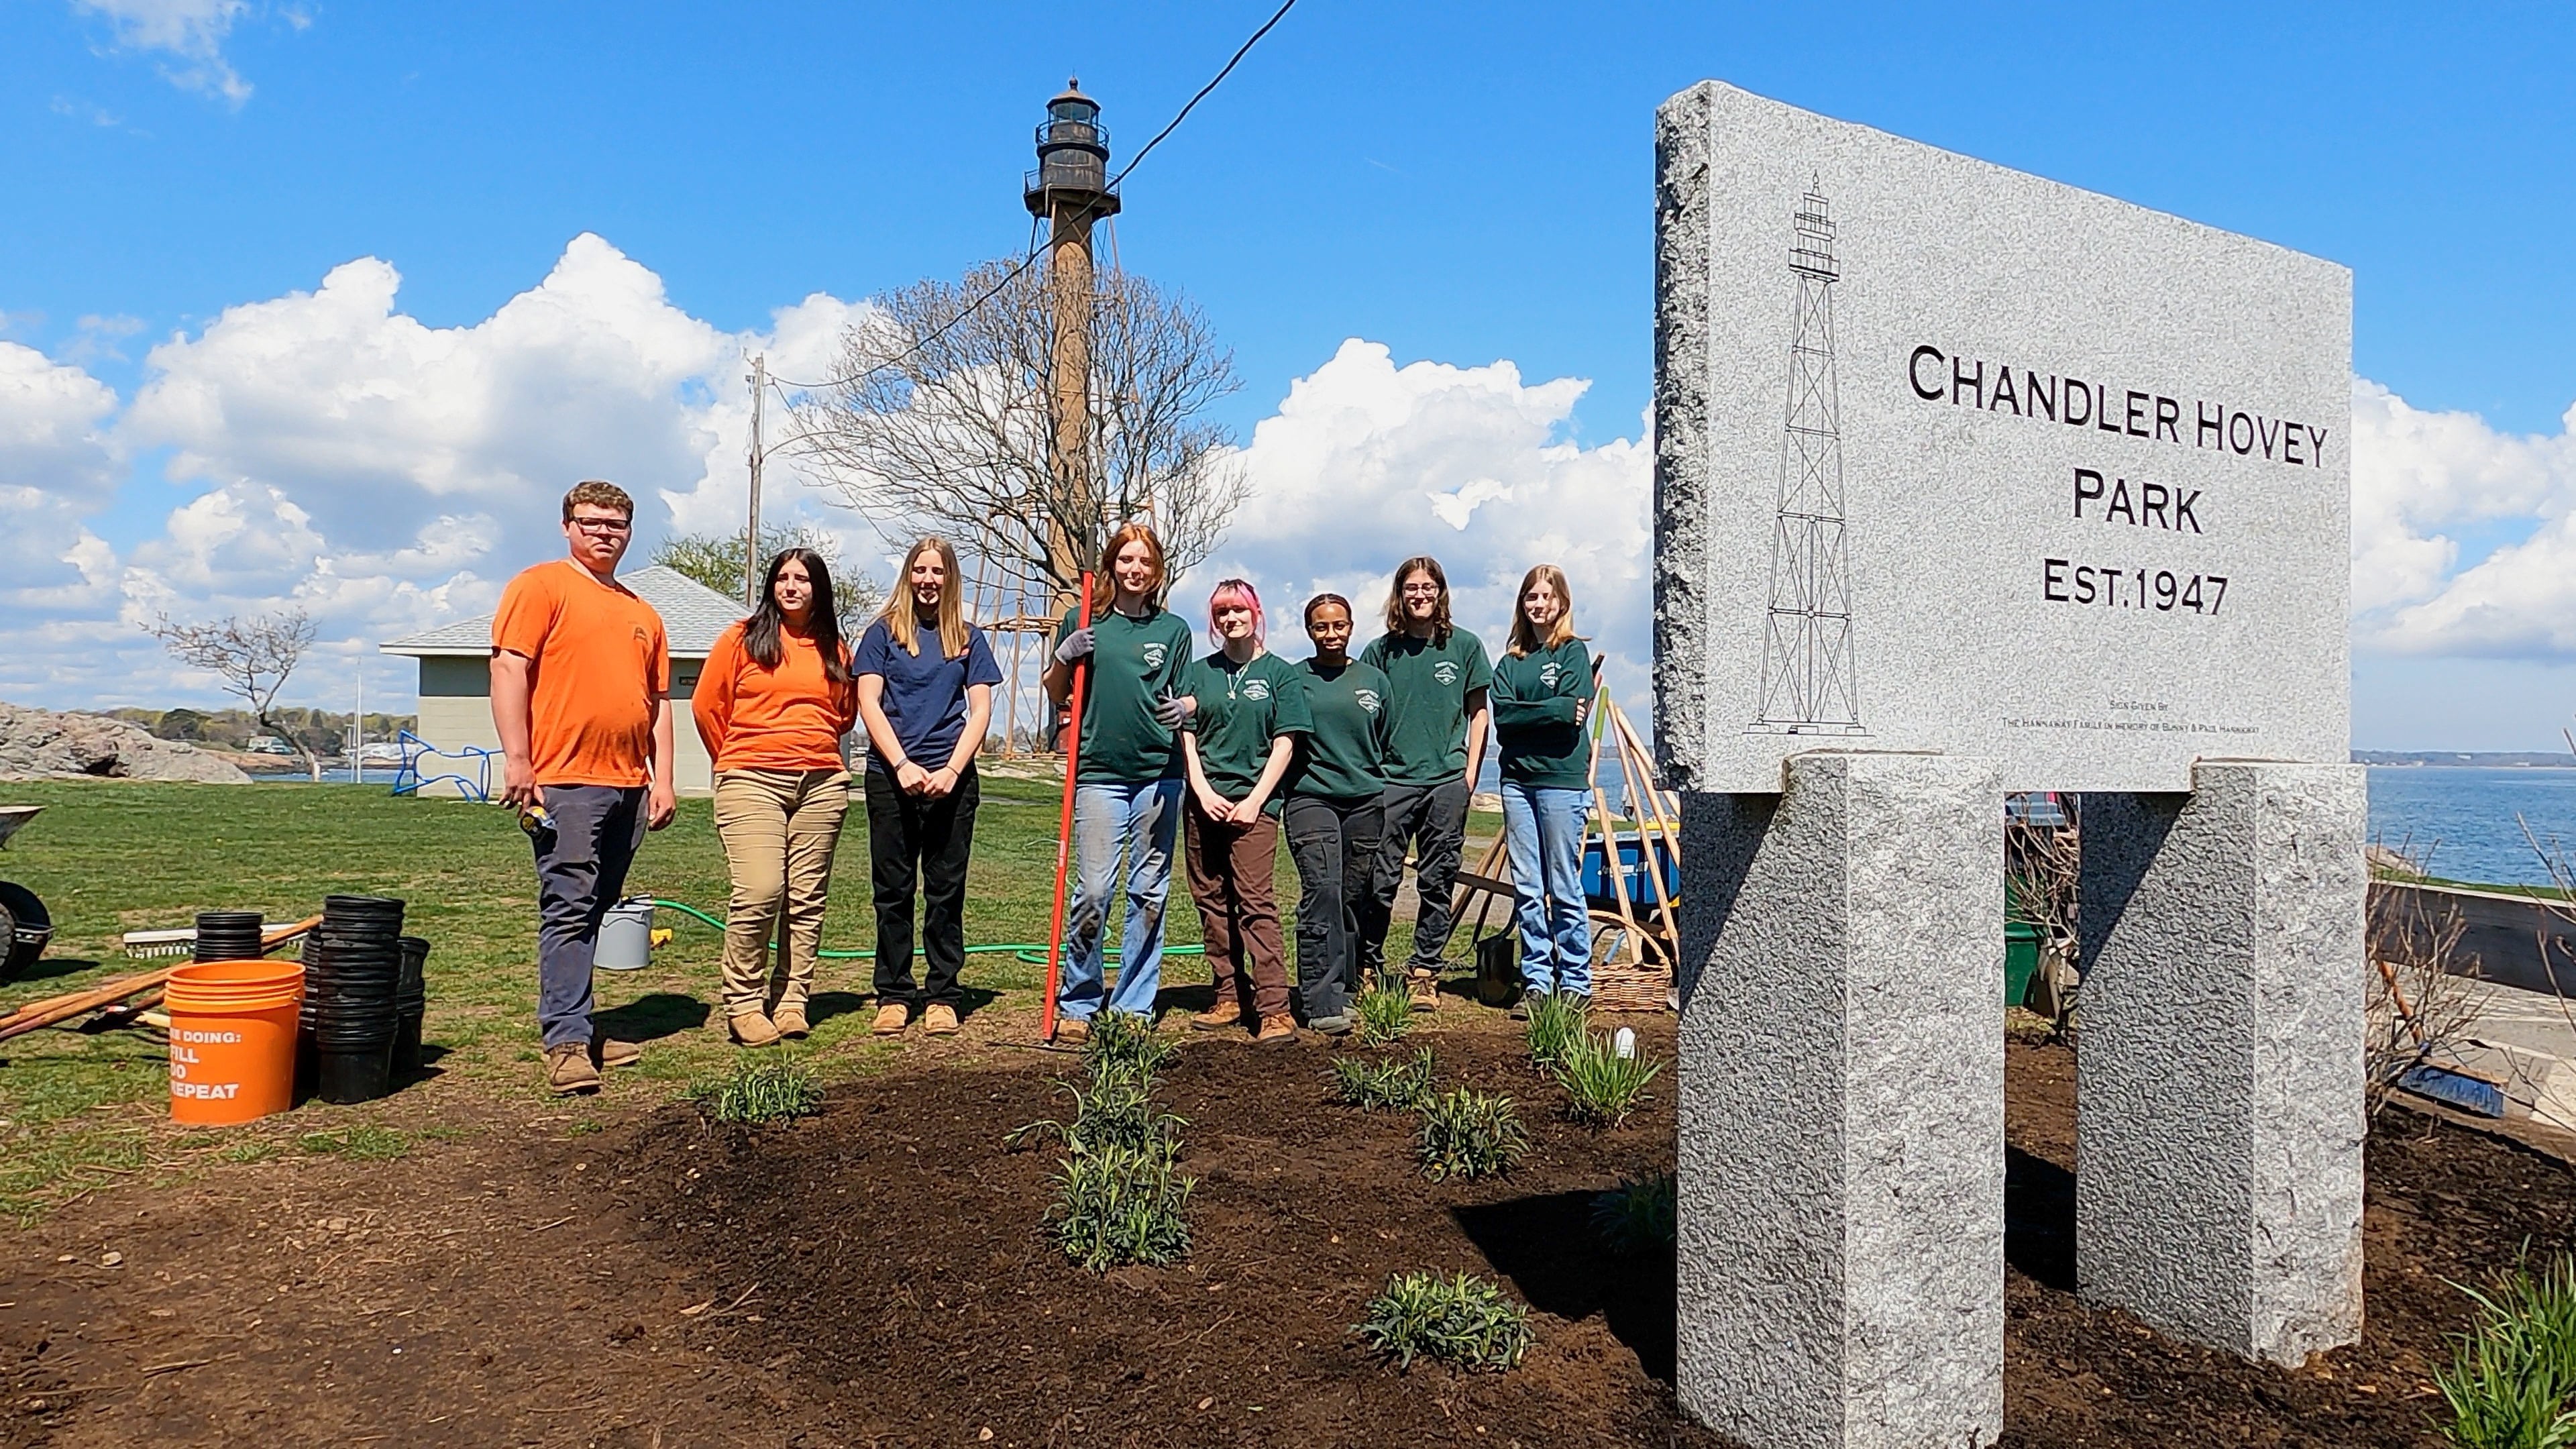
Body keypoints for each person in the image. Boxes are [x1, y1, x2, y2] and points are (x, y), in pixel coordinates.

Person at [490, 480, 676, 1095]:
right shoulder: (540, 586)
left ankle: (580, 1018)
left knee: (597, 905)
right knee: (569, 905)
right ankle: (566, 1041)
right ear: (567, 525)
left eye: (617, 524)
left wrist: (663, 780)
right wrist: (518, 760)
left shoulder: (642, 613)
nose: (605, 533)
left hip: (628, 784)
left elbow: (658, 702)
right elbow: (510, 669)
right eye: (592, 522)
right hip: (565, 781)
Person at [692, 547, 859, 1047]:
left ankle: (792, 1000)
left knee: (807, 899)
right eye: (782, 578)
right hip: (751, 780)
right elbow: (706, 706)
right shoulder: (741, 639)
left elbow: (844, 715)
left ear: (818, 589)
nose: (791, 587)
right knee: (761, 890)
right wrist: (739, 759)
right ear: (771, 586)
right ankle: (743, 1003)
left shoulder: (835, 649)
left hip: (822, 784)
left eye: (803, 579)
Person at [1042, 523, 1196, 1042]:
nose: (1136, 570)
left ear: (1156, 571)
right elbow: (1055, 692)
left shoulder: (1173, 630)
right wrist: (1065, 655)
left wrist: (1185, 708)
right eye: (1127, 560)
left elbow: (1189, 693)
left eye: (1146, 563)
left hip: (1159, 775)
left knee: (1149, 892)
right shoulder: (1083, 619)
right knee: (1094, 891)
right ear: (1111, 565)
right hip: (1100, 774)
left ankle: (1134, 1005)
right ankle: (1080, 1000)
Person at [854, 536, 1002, 1038]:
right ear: (908, 575)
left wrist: (953, 770)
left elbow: (980, 710)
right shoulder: (881, 634)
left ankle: (942, 993)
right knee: (893, 891)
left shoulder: (968, 638)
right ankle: (894, 992)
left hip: (951, 781)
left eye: (938, 571)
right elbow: (868, 703)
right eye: (920, 570)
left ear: (950, 578)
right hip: (891, 780)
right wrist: (900, 764)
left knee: (945, 892)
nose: (928, 580)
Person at [1177, 579, 1311, 1044]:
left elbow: (1287, 740)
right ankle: (1230, 995)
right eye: (1221, 613)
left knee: (1255, 902)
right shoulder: (1197, 672)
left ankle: (1274, 1007)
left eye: (1238, 610)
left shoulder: (1279, 674)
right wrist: (1201, 788)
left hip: (1256, 804)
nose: (1231, 619)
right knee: (1211, 900)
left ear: (1256, 613)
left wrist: (1255, 799)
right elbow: (1186, 735)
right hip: (1204, 802)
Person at [1358, 555, 1492, 1010]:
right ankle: (1369, 965)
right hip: (1391, 781)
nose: (1420, 595)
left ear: (1440, 592)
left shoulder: (1464, 647)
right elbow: (1362, 714)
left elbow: (1478, 713)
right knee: (1380, 879)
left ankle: (1424, 973)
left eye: (1427, 587)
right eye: (1411, 588)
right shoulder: (1380, 652)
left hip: (1447, 781)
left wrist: (1470, 773)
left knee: (1437, 880)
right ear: (1400, 594)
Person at [1282, 593, 1393, 1034]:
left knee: (1352, 898)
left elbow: (1382, 738)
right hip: (1312, 798)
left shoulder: (1374, 681)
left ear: (1351, 627)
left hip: (1365, 801)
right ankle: (1320, 1000)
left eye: (1339, 625)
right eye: (1321, 627)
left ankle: (1347, 987)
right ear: (1310, 631)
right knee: (1323, 892)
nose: (1331, 634)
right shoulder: (1295, 680)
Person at [1490, 564, 1595, 1016]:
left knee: (1565, 884)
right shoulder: (1510, 661)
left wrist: (1530, 712)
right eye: (1532, 597)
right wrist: (1548, 710)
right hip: (1517, 782)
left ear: (1561, 603)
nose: (1539, 605)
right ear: (1522, 603)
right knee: (1528, 888)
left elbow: (1575, 711)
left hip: (1561, 782)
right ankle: (1537, 980)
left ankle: (1576, 981)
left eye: (1547, 597)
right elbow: (1504, 720)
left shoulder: (1572, 654)